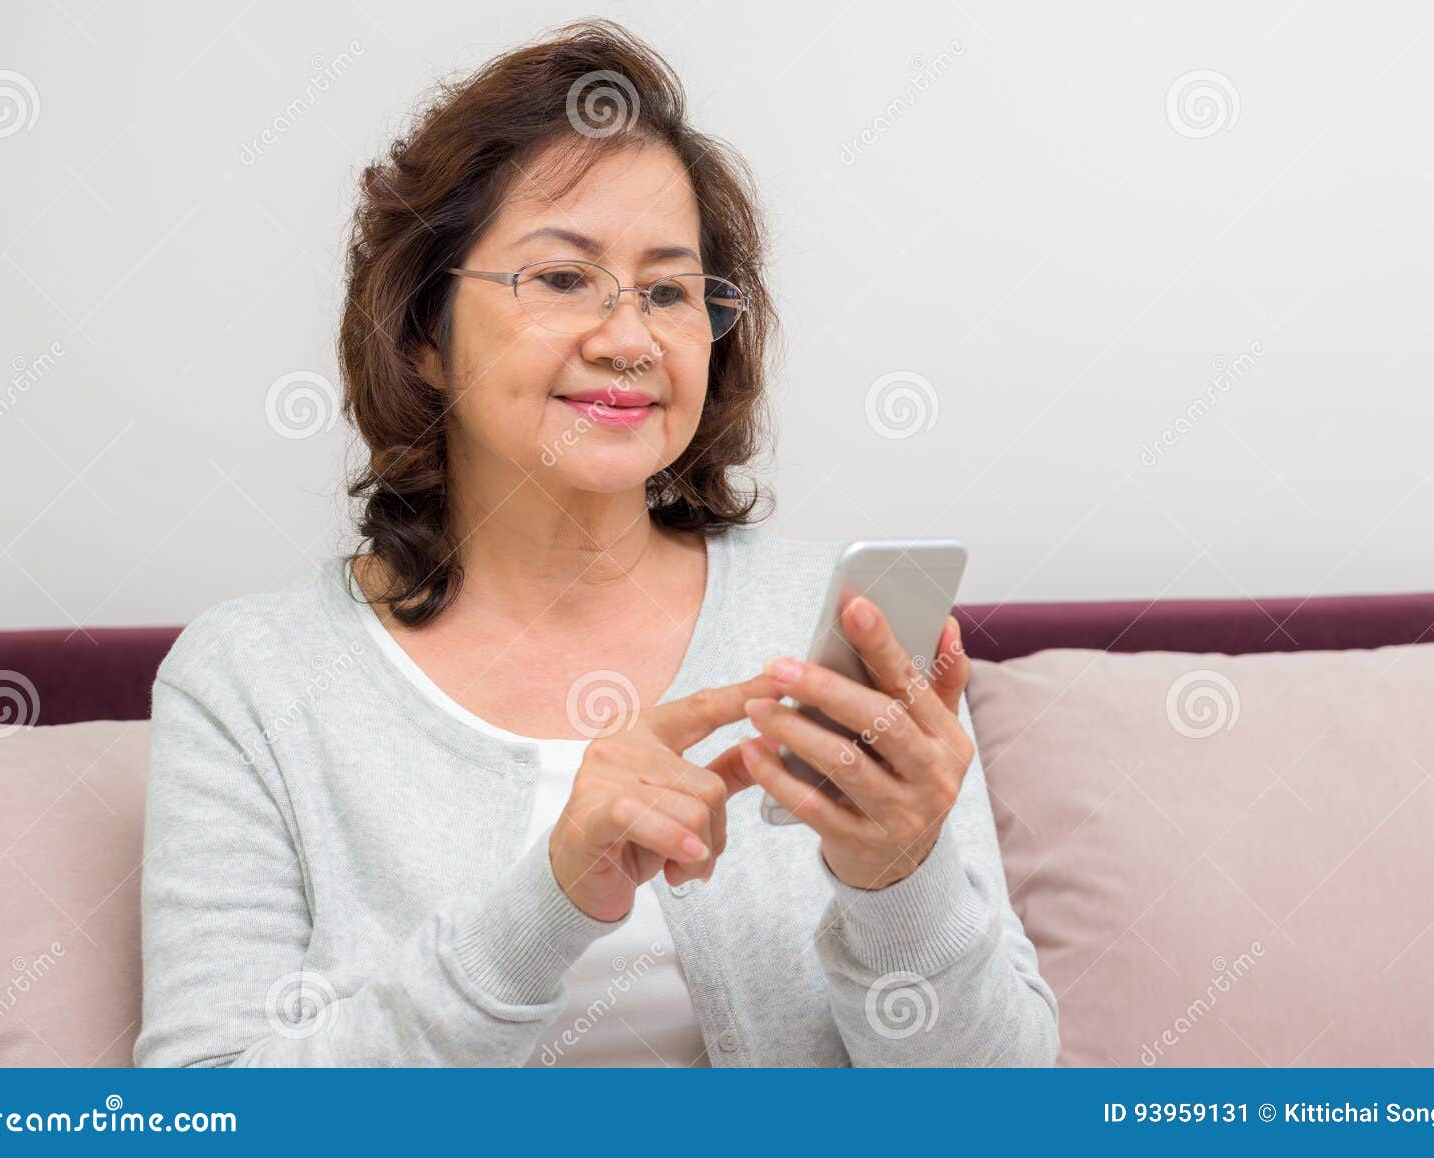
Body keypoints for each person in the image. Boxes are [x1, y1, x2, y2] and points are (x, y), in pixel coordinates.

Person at [132, 18, 1057, 1068]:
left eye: (669, 291)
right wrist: (547, 904)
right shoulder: (254, 679)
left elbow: (1004, 1103)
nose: (629, 338)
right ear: (421, 333)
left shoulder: (835, 633)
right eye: (563, 278)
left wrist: (903, 880)